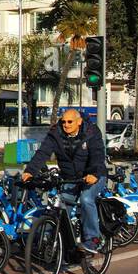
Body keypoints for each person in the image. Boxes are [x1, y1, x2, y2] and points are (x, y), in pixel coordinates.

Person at [22, 108, 109, 252]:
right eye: (64, 122)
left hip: (94, 175)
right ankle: (61, 242)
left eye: (70, 122)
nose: (66, 125)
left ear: (79, 122)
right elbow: (43, 152)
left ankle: (93, 239)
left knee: (86, 199)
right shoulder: (55, 134)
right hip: (70, 178)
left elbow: (98, 155)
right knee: (61, 206)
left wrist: (93, 173)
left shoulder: (91, 132)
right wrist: (30, 171)